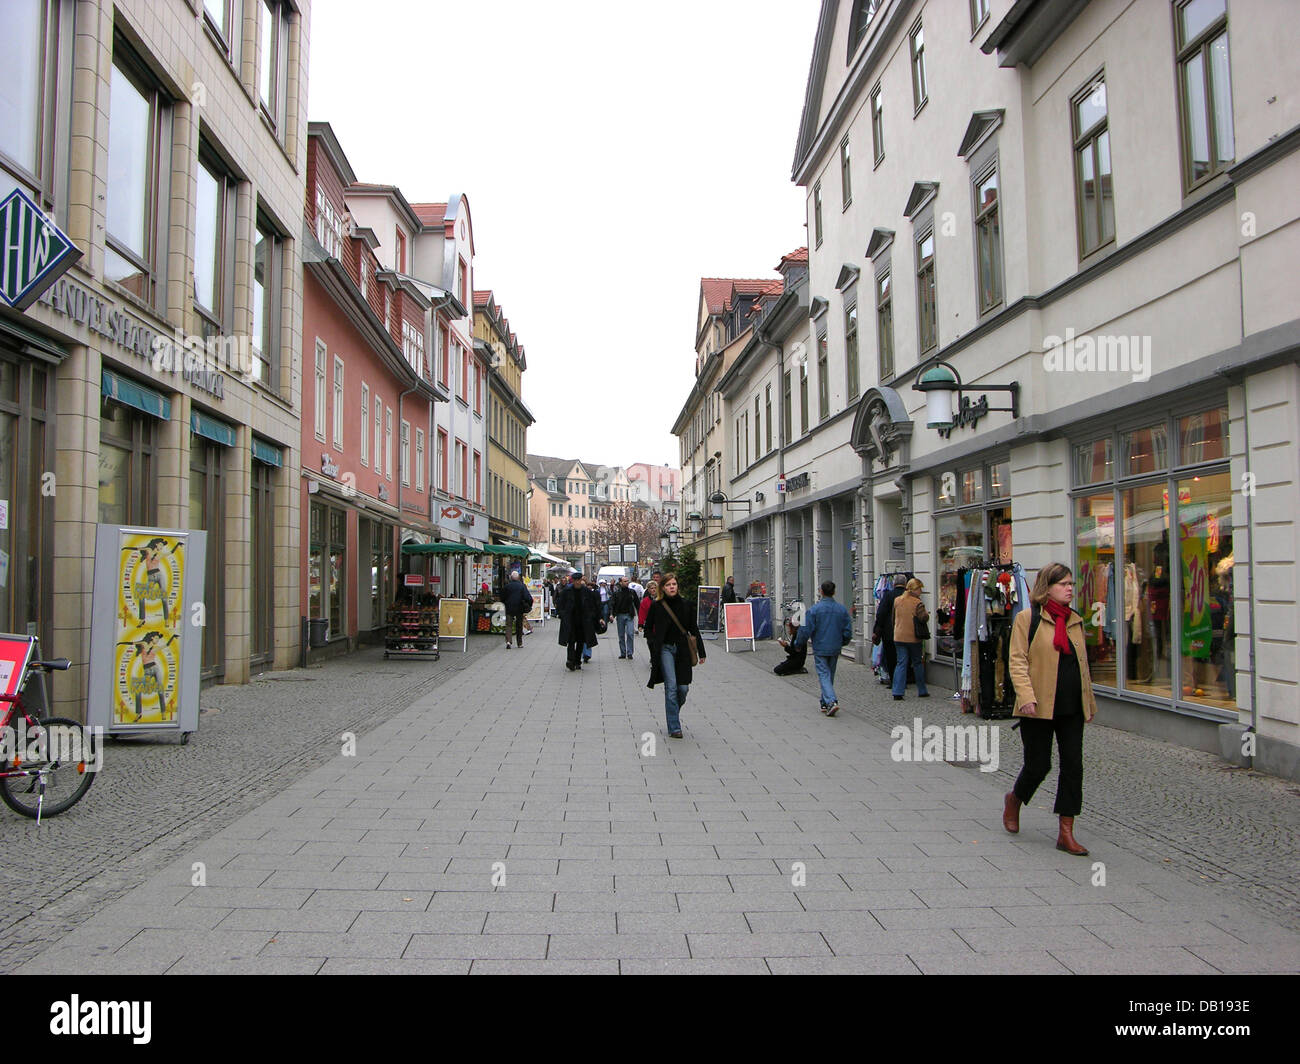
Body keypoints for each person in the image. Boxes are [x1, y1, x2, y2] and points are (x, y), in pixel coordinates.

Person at [1003, 562, 1098, 857]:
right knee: (1038, 765)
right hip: (1037, 705)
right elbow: (1017, 661)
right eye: (1063, 584)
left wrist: (1089, 702)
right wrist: (1026, 696)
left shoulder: (1075, 621)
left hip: (1071, 706)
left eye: (1071, 584)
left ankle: (1066, 831)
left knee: (1073, 766)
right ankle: (1015, 799)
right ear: (1047, 587)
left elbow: (1082, 667)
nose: (1069, 588)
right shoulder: (1027, 619)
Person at [645, 573, 705, 739]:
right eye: (668, 585)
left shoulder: (687, 605)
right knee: (671, 687)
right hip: (665, 650)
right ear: (662, 588)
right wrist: (654, 643)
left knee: (683, 688)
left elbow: (694, 629)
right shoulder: (657, 606)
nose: (672, 587)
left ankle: (673, 712)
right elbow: (648, 627)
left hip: (683, 650)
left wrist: (702, 651)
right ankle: (674, 727)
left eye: (674, 584)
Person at [791, 581, 853, 716]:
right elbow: (847, 630)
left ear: (821, 591)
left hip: (820, 646)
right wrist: (844, 641)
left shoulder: (814, 610)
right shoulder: (841, 609)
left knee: (824, 675)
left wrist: (798, 644)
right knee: (829, 674)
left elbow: (805, 630)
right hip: (835, 646)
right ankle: (824, 702)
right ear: (834, 592)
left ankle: (831, 701)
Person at [891, 578, 931, 700]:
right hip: (913, 637)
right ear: (915, 589)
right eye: (920, 589)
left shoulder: (897, 600)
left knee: (901, 663)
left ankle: (897, 691)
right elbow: (923, 618)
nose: (921, 592)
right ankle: (922, 690)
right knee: (917, 663)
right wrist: (927, 613)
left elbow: (893, 618)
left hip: (898, 636)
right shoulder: (917, 602)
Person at [556, 572, 598, 671]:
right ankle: (570, 660)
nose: (577, 582)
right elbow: (560, 604)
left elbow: (593, 604)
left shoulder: (586, 591)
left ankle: (578, 661)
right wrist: (562, 614)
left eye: (579, 580)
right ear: (573, 581)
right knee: (570, 642)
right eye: (575, 581)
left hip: (583, 621)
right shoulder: (567, 591)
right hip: (570, 621)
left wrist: (593, 616)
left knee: (580, 642)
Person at [872, 575, 907, 686]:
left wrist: (877, 629)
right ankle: (904, 680)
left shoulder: (888, 595)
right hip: (906, 632)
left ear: (894, 584)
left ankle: (894, 681)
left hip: (889, 632)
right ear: (905, 583)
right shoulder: (908, 596)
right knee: (904, 658)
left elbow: (880, 614)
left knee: (891, 658)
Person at [500, 570, 533, 649]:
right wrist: (529, 605)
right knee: (519, 625)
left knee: (509, 625)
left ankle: (508, 641)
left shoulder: (507, 586)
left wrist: (506, 603)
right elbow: (528, 597)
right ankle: (519, 643)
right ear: (518, 577)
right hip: (519, 608)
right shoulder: (522, 586)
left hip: (509, 608)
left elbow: (502, 597)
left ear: (511, 578)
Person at [610, 576, 640, 659]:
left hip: (629, 615)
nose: (627, 582)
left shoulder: (632, 592)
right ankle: (623, 652)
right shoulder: (617, 593)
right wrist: (611, 614)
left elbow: (637, 604)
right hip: (620, 615)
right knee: (621, 635)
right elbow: (612, 604)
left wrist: (640, 615)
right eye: (625, 581)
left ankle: (630, 652)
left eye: (627, 581)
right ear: (620, 582)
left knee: (630, 633)